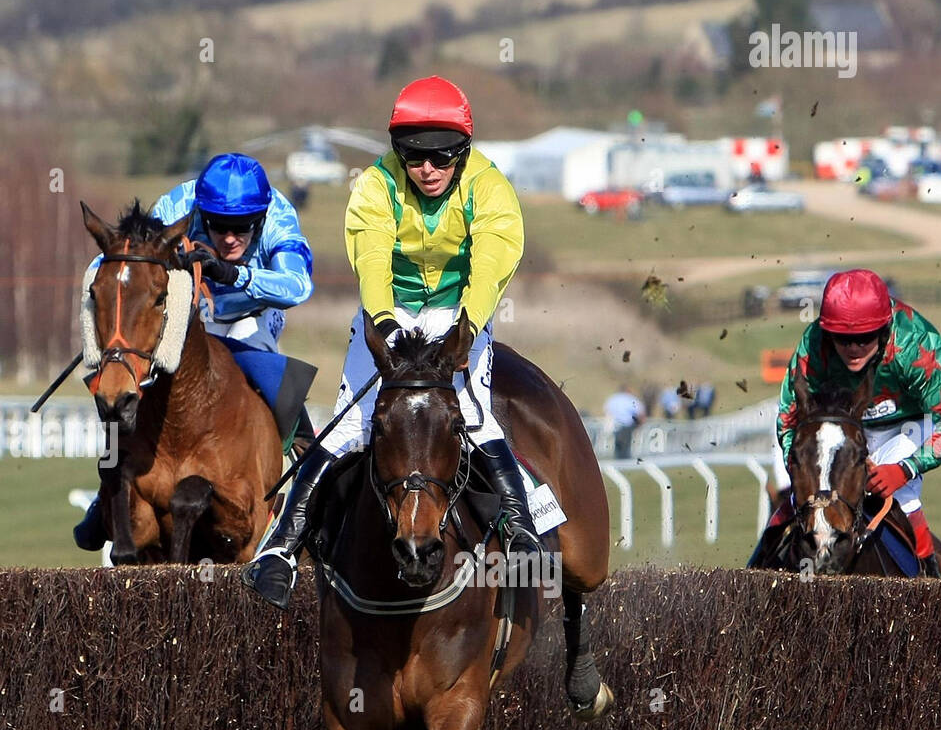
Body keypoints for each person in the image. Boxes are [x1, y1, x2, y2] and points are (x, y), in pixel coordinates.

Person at [242, 75, 543, 610]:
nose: (427, 169)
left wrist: (469, 325)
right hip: (390, 311)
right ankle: (281, 549)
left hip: (460, 309)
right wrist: (382, 321)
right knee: (350, 425)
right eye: (413, 157)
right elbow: (373, 253)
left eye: (442, 158)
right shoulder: (377, 184)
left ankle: (521, 533)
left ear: (464, 151)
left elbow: (495, 257)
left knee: (472, 412)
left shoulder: (489, 186)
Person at [74, 152, 316, 551]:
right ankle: (109, 489)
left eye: (242, 228)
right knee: (137, 382)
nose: (230, 238)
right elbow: (120, 258)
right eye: (219, 226)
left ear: (260, 217)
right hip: (190, 310)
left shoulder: (279, 212)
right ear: (203, 210)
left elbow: (298, 285)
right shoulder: (178, 205)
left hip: (252, 311)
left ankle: (304, 461)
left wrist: (234, 273)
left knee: (252, 356)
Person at [771, 268, 941, 576]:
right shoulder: (813, 345)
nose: (853, 348)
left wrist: (906, 467)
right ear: (828, 333)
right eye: (843, 339)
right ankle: (754, 573)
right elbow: (789, 418)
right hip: (843, 426)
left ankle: (934, 582)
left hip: (906, 426)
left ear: (884, 330)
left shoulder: (916, 344)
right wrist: (799, 468)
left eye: (864, 338)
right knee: (795, 502)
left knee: (902, 498)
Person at [603, 388, 646, 459]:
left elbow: (606, 410)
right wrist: (640, 425)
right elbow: (640, 412)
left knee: (617, 445)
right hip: (627, 425)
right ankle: (625, 461)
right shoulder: (630, 399)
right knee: (625, 446)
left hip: (614, 425)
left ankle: (618, 460)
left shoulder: (612, 398)